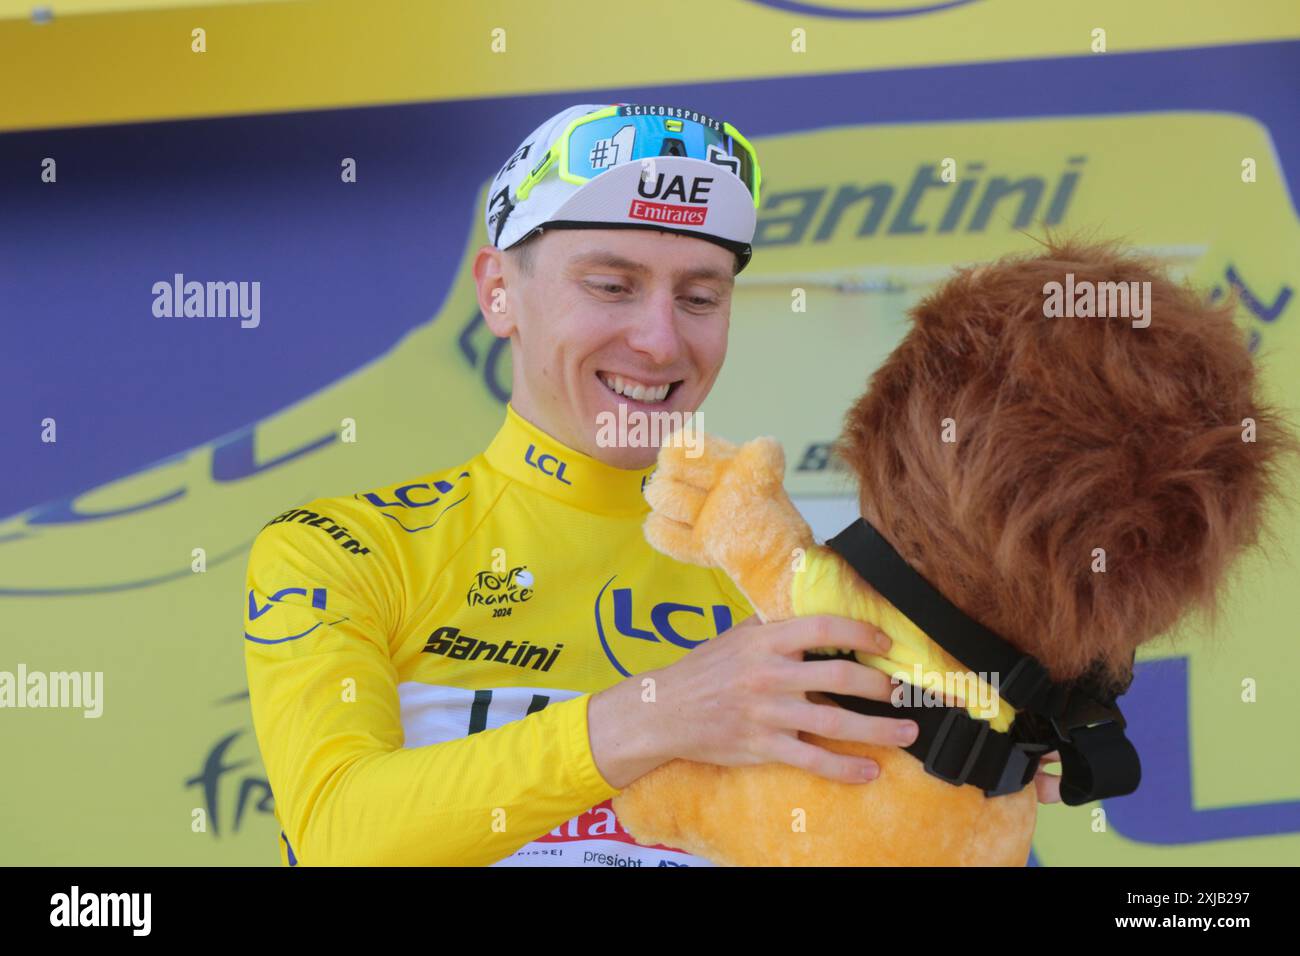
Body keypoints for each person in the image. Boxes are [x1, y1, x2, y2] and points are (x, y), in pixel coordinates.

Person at [243, 102, 1059, 868]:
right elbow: (336, 832)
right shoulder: (343, 549)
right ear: (498, 291)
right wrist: (663, 712)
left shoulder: (809, 585)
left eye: (700, 296)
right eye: (611, 286)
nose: (660, 341)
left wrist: (985, 772)